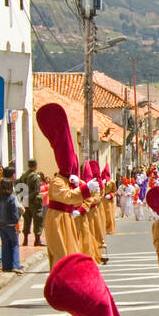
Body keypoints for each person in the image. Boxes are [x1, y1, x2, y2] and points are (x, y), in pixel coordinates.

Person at [36, 103, 94, 264]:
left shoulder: (66, 180)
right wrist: (85, 189)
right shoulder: (56, 182)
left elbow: (79, 195)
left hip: (67, 218)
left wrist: (83, 186)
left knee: (71, 251)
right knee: (61, 253)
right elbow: (67, 197)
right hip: (58, 221)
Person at [0, 176, 22, 272]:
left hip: (0, 224)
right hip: (10, 224)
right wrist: (17, 224)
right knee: (14, 244)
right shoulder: (11, 198)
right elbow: (14, 214)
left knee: (5, 245)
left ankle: (6, 266)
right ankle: (15, 265)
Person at [18, 159, 44, 247]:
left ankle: (25, 240)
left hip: (25, 201)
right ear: (35, 165)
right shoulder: (35, 176)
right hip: (34, 201)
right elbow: (36, 190)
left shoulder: (23, 175)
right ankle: (37, 240)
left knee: (27, 219)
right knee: (38, 219)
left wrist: (23, 197)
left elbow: (19, 186)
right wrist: (29, 197)